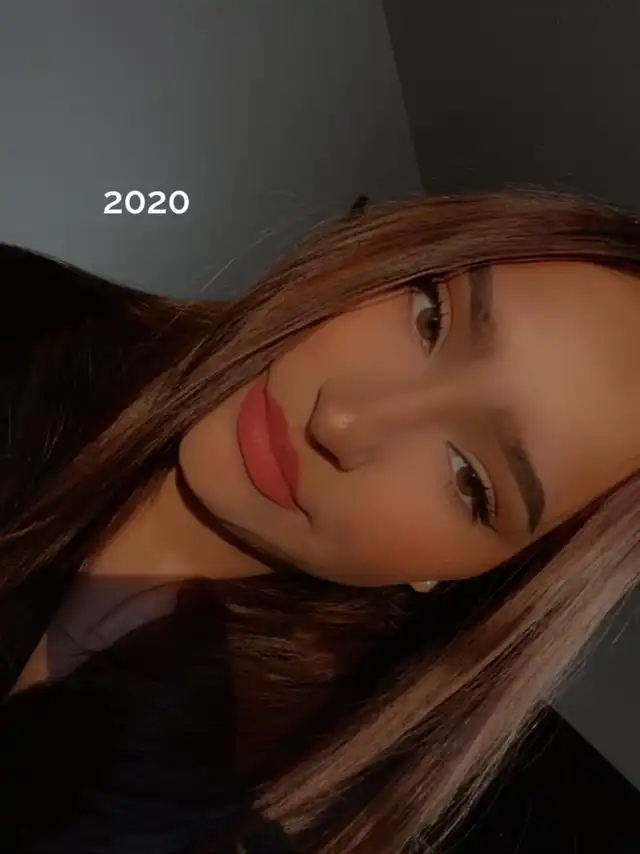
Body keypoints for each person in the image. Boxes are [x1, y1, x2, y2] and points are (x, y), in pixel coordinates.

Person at [1, 187, 640, 854]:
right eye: (430, 318)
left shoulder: (294, 805)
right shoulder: (26, 323)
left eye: (469, 481)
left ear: (464, 572)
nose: (342, 420)